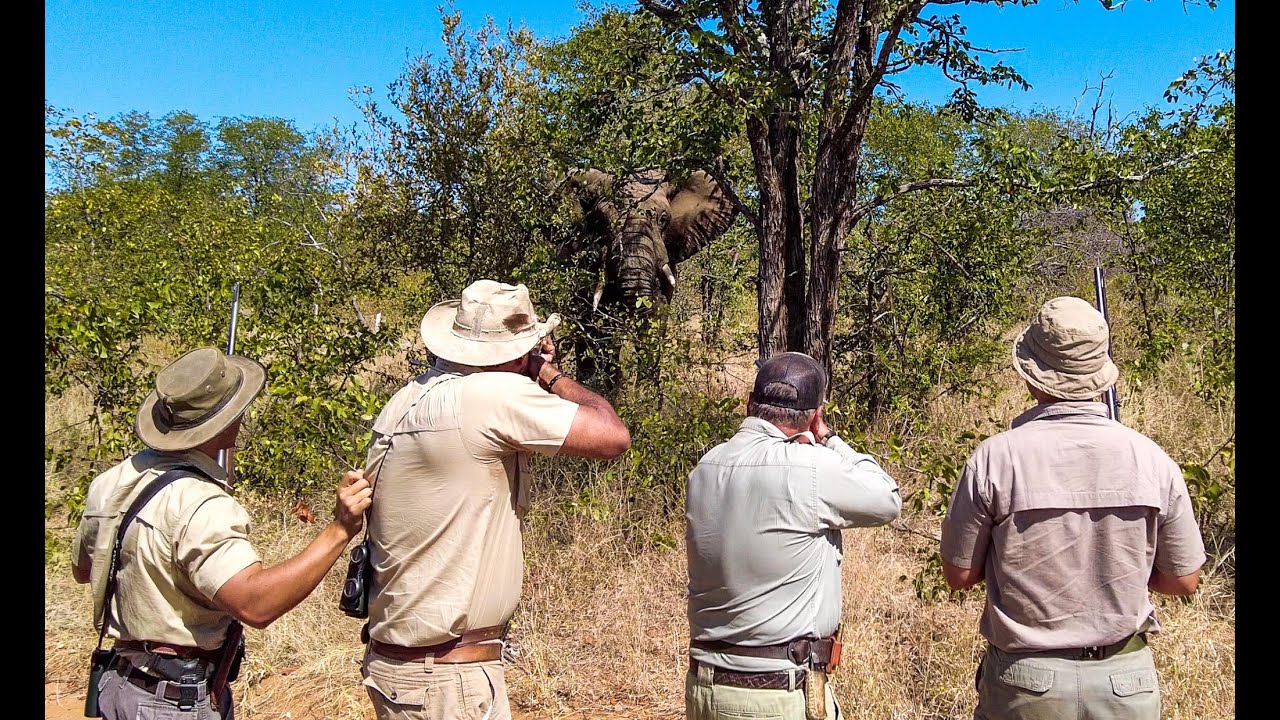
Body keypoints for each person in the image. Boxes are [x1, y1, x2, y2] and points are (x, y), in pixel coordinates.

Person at [358, 279, 631, 720]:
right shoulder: (492, 395)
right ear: (520, 354)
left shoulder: (408, 398)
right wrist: (550, 376)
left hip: (403, 667)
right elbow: (612, 436)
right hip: (447, 680)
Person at [941, 296, 1206, 720]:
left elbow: (959, 575)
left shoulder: (994, 459)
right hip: (1126, 683)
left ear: (1032, 376)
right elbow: (1184, 580)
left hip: (1026, 682)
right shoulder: (1152, 459)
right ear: (1101, 377)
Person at [72, 346, 373, 719]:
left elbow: (85, 569)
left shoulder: (110, 482)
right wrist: (339, 530)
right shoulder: (200, 503)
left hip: (120, 685)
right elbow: (255, 605)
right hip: (172, 702)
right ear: (224, 419)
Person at [685, 351, 902, 720]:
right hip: (775, 692)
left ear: (750, 403)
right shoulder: (808, 467)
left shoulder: (705, 467)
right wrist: (829, 439)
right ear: (814, 416)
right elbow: (888, 498)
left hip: (705, 687)